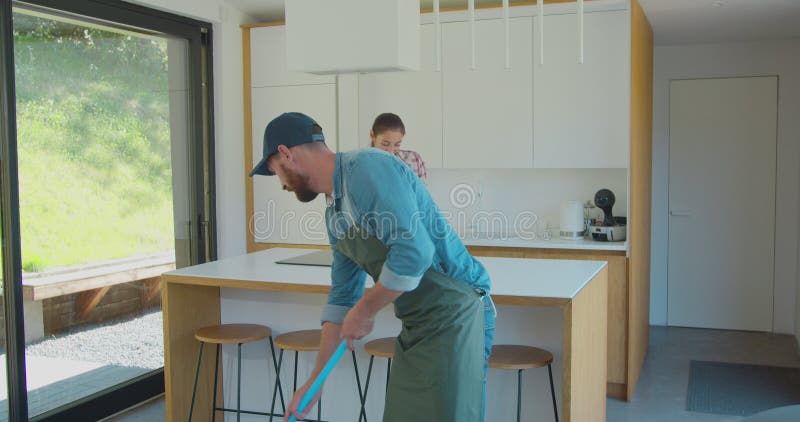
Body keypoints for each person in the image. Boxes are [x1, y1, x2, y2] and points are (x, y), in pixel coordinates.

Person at [249, 112, 495, 422]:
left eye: (275, 170)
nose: (281, 183)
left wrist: (365, 310)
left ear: (286, 153)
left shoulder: (367, 167)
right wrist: (316, 381)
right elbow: (341, 300)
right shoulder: (335, 215)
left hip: (457, 316)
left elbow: (414, 253)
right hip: (419, 327)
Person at [369, 112, 427, 182]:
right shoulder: (362, 164)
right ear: (372, 135)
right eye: (385, 144)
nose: (390, 151)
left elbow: (423, 192)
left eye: (397, 144)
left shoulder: (414, 159)